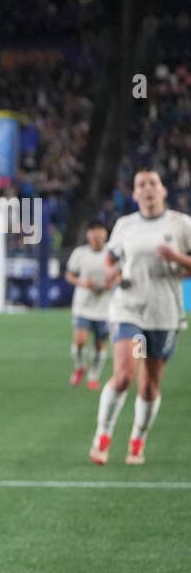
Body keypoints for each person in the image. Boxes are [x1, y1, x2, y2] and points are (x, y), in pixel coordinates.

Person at [88, 169, 191, 465]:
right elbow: (110, 260)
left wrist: (177, 258)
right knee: (123, 376)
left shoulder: (181, 225)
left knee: (149, 385)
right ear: (134, 194)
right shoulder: (125, 226)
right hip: (129, 310)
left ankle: (138, 438)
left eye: (152, 184)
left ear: (163, 190)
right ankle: (103, 435)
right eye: (141, 185)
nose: (147, 189)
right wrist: (112, 273)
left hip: (165, 313)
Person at [64, 221, 113, 390]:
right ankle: (79, 368)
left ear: (105, 234)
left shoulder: (112, 254)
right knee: (80, 340)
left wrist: (110, 284)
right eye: (93, 231)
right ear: (88, 234)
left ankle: (94, 376)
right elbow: (69, 275)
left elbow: (120, 274)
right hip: (83, 305)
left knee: (100, 344)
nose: (96, 235)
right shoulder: (80, 253)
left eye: (99, 231)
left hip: (104, 307)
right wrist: (83, 283)